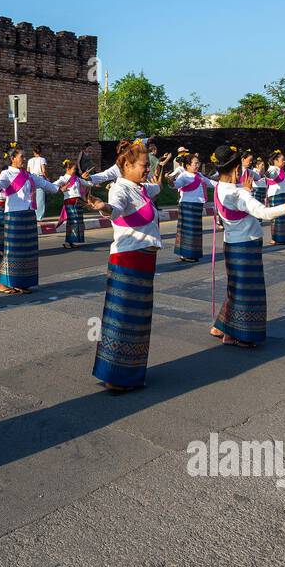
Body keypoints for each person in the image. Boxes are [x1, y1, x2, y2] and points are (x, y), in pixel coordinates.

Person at [208, 144, 285, 346]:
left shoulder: (221, 188)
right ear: (237, 169)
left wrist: (245, 189)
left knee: (236, 289)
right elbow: (263, 213)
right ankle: (242, 334)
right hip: (246, 246)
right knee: (247, 292)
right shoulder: (239, 194)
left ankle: (224, 329)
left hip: (231, 244)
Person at [88, 140, 161, 388]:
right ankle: (115, 375)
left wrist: (161, 172)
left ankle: (129, 373)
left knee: (137, 320)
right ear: (127, 165)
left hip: (143, 260)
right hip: (128, 259)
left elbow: (156, 189)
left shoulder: (141, 188)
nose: (147, 170)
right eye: (143, 165)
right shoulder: (120, 189)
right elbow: (115, 208)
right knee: (122, 319)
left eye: (148, 166)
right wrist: (104, 207)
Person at [0, 144, 62, 295]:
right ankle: (2, 283)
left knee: (27, 252)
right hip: (14, 216)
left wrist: (59, 188)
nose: (25, 159)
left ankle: (20, 282)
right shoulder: (6, 174)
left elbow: (45, 184)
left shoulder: (28, 175)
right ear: (13, 159)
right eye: (22, 156)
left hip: (28, 216)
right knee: (13, 251)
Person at [168, 149, 212, 262]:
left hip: (197, 206)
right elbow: (175, 185)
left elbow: (210, 183)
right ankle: (186, 254)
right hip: (187, 206)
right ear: (188, 165)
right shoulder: (184, 176)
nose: (198, 165)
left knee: (195, 232)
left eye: (198, 163)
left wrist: (226, 184)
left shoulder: (199, 175)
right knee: (188, 231)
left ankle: (193, 253)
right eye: (195, 163)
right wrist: (171, 182)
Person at [54, 159, 88, 248]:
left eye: (75, 169)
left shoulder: (77, 178)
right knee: (72, 222)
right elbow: (54, 185)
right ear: (67, 169)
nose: (75, 171)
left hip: (78, 202)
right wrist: (60, 189)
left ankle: (71, 241)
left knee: (77, 222)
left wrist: (94, 182)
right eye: (74, 169)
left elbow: (87, 183)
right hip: (70, 202)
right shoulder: (63, 179)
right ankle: (68, 242)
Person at [264, 151, 285, 244]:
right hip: (276, 196)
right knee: (277, 218)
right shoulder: (273, 169)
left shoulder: (282, 171)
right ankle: (276, 238)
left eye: (284, 160)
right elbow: (270, 174)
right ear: (275, 161)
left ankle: (284, 237)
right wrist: (268, 174)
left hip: (284, 195)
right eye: (282, 160)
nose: (284, 161)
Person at [26, 144, 49, 220]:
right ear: (40, 151)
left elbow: (28, 171)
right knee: (40, 199)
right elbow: (44, 171)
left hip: (31, 178)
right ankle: (39, 216)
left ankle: (32, 215)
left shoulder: (30, 160)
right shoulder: (42, 159)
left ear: (33, 152)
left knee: (32, 197)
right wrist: (47, 178)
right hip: (40, 177)